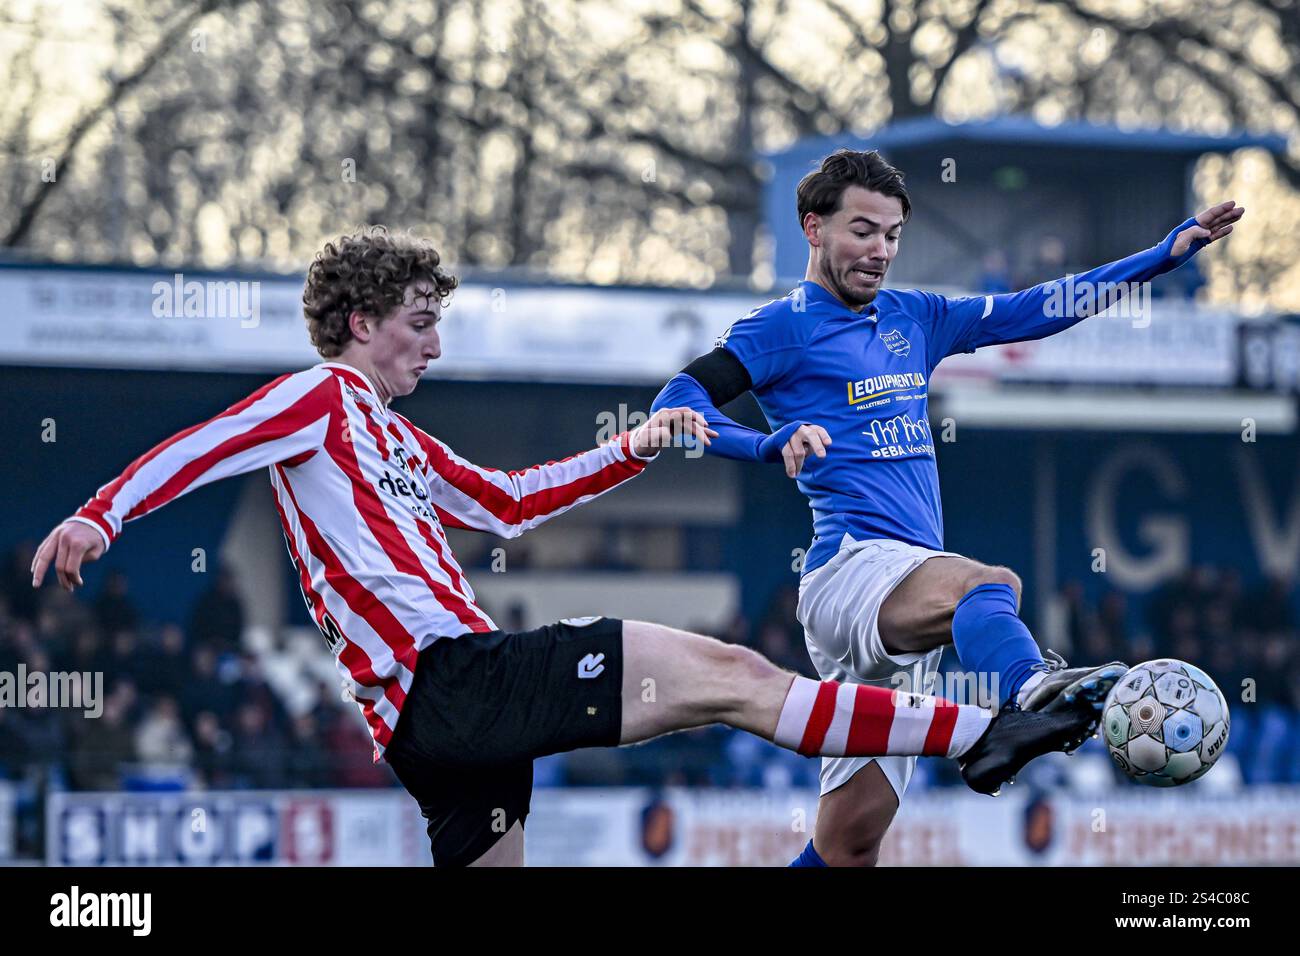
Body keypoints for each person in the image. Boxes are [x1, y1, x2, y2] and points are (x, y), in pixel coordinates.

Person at [32, 227, 1101, 867]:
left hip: (436, 729)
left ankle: (983, 727)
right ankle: (984, 727)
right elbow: (207, 443)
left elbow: (502, 501)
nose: (434, 344)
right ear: (357, 321)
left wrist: (633, 445)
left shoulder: (393, 434)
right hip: (454, 680)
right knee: (733, 675)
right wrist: (99, 512)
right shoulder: (318, 395)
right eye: (417, 322)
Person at [652, 148, 1244, 866]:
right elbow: (674, 405)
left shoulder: (917, 317)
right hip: (851, 572)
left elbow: (1035, 310)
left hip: (903, 599)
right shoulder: (779, 327)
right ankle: (1028, 694)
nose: (880, 251)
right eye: (862, 230)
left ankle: (1013, 713)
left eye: (893, 235)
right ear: (812, 227)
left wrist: (1158, 258)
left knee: (851, 841)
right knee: (988, 584)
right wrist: (764, 444)